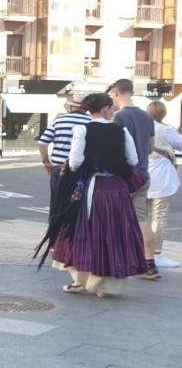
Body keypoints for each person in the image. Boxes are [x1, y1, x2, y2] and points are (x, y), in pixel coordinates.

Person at [37, 93, 146, 298]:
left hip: (90, 188)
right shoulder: (120, 130)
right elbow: (133, 159)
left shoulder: (82, 129)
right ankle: (104, 285)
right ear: (105, 108)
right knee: (113, 234)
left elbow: (75, 162)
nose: (114, 111)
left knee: (82, 231)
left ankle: (80, 280)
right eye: (112, 108)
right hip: (116, 189)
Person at [108, 79, 159, 280]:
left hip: (124, 175)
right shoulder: (147, 117)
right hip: (143, 174)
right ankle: (150, 265)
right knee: (141, 219)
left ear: (116, 92)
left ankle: (117, 261)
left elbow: (115, 148)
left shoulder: (118, 117)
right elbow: (150, 148)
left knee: (115, 218)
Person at [38, 99, 91, 219]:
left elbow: (42, 143)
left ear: (71, 106)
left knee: (57, 206)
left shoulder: (59, 121)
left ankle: (55, 236)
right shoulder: (91, 122)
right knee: (78, 208)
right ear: (85, 108)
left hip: (58, 169)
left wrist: (46, 162)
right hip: (82, 172)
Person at [146, 101, 182, 268]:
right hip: (161, 177)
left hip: (142, 176)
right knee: (159, 216)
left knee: (141, 216)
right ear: (163, 113)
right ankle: (156, 253)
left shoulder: (141, 126)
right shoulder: (166, 129)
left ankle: (142, 251)